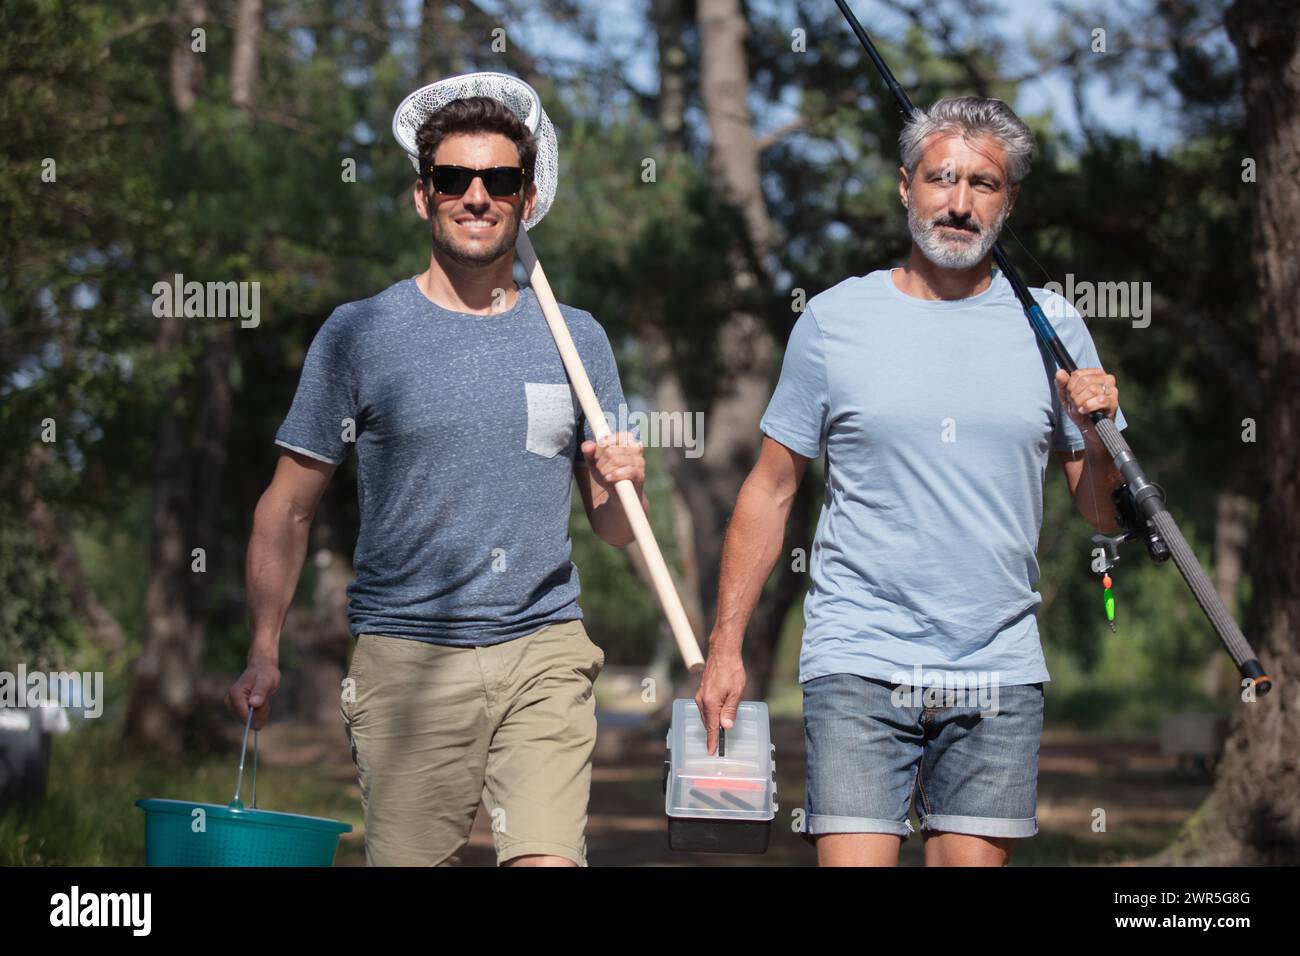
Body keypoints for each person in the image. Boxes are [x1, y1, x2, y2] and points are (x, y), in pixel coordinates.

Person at [695, 97, 1128, 867]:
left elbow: (1101, 514)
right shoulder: (834, 321)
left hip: (996, 664)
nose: (959, 204)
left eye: (983, 185)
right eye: (942, 178)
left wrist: (1097, 432)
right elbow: (770, 489)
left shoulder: (1054, 328)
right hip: (861, 655)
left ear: (1010, 201)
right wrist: (725, 646)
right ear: (906, 186)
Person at [226, 88, 645, 867]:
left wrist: (628, 483)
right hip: (407, 656)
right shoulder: (362, 334)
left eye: (500, 180)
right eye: (453, 179)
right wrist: (263, 646)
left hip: (543, 648)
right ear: (424, 195)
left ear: (527, 197)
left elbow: (616, 528)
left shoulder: (576, 338)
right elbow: (286, 509)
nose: (476, 197)